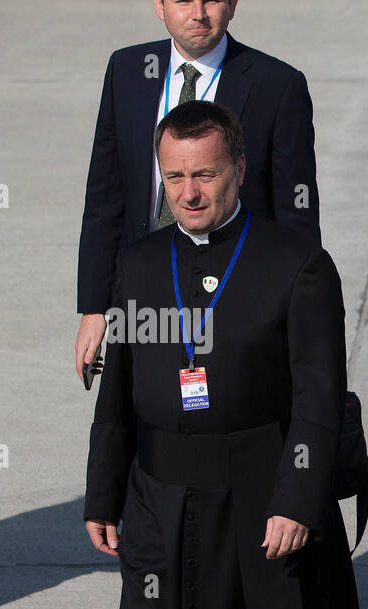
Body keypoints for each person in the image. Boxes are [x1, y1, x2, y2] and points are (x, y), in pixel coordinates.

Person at [45, 101, 368, 609]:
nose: (189, 191)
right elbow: (118, 395)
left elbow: (318, 396)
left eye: (204, 174)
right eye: (174, 176)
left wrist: (298, 500)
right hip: (160, 496)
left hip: (256, 494)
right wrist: (103, 493)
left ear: (235, 169)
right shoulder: (136, 263)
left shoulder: (295, 264)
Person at [75, 0, 321, 383]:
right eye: (184, 1)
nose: (199, 13)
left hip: (237, 300)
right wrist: (94, 308)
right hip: (145, 294)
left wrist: (301, 320)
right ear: (159, 6)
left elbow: (296, 215)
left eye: (211, 0)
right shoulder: (126, 72)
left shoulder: (278, 85)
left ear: (233, 5)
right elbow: (106, 196)